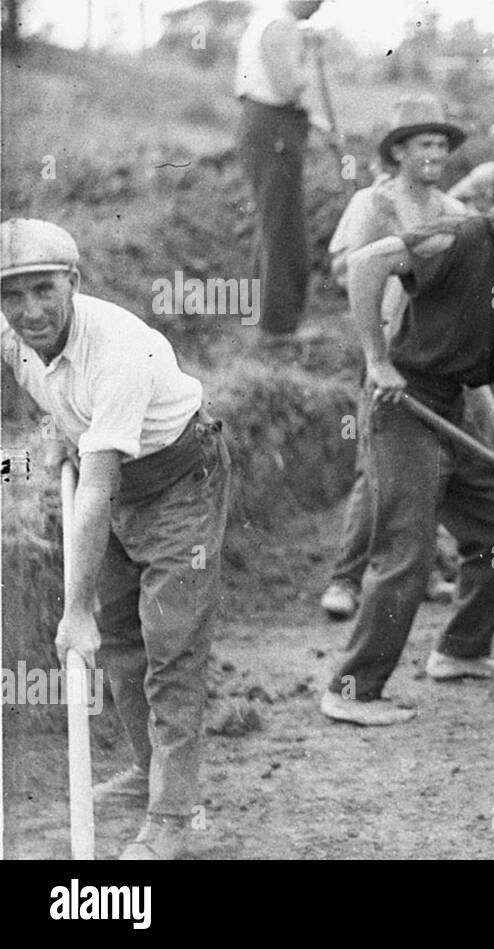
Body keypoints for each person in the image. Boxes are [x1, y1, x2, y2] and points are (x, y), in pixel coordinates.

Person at [319, 146, 494, 726]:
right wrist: (375, 359)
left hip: (451, 411)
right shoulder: (456, 238)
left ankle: (459, 651)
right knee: (407, 553)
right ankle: (350, 690)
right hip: (402, 408)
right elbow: (368, 264)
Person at [1, 219, 231, 857]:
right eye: (12, 296)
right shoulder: (14, 336)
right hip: (111, 477)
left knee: (171, 645)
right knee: (123, 641)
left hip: (180, 480)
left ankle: (172, 817)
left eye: (44, 290)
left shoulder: (119, 351)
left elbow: (96, 490)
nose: (30, 311)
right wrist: (57, 435)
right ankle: (142, 770)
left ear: (72, 282)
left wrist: (74, 610)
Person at [319, 95, 473, 621]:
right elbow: (345, 270)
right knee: (377, 468)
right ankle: (345, 579)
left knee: (431, 466)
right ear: (400, 152)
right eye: (424, 144)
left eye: (440, 144)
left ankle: (425, 569)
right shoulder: (373, 204)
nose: (434, 153)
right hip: (386, 348)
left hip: (436, 354)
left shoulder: (454, 212)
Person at [234, 0, 324, 340]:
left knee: (274, 222)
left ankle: (268, 319)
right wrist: (309, 62)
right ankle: (279, 328)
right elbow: (288, 85)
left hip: (264, 124)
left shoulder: (266, 20)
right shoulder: (283, 26)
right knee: (284, 226)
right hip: (273, 129)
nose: (320, 6)